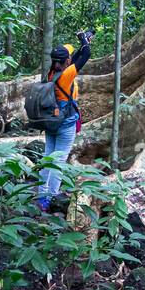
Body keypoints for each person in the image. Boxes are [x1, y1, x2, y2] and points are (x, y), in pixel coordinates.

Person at [37, 30, 94, 210]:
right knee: (59, 160)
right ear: (67, 62)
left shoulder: (51, 72)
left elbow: (77, 55)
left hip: (50, 121)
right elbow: (85, 54)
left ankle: (42, 195)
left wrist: (85, 39)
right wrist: (84, 40)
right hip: (65, 123)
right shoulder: (67, 74)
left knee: (49, 157)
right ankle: (53, 197)